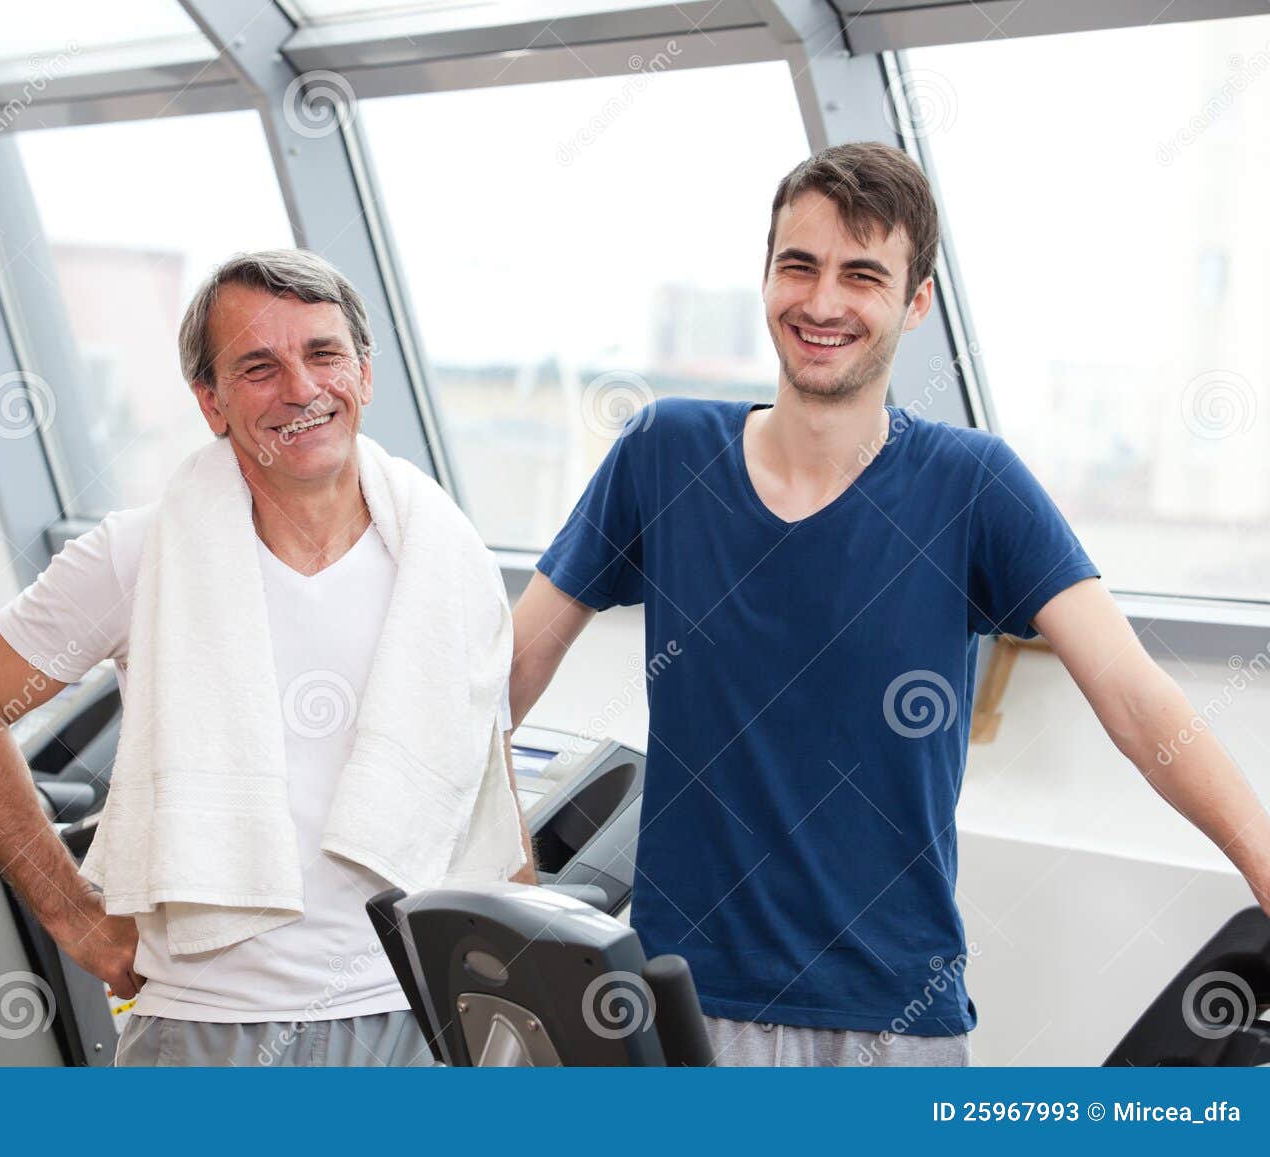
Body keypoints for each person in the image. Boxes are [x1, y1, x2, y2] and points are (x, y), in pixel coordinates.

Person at [509, 142, 1270, 1067]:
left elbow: (1137, 699)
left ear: (916, 302)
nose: (823, 303)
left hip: (892, 1025)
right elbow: (511, 670)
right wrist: (489, 859)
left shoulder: (972, 484)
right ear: (766, 278)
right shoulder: (664, 452)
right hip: (682, 1009)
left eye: (862, 275)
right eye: (800, 266)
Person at [0, 249, 535, 1068]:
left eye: (323, 354)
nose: (301, 389)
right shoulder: (139, 554)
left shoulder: (448, 559)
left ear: (364, 373)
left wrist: (525, 988)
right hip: (204, 1027)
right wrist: (75, 916)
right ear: (210, 401)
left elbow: (490, 780)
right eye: (258, 367)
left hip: (414, 1017)